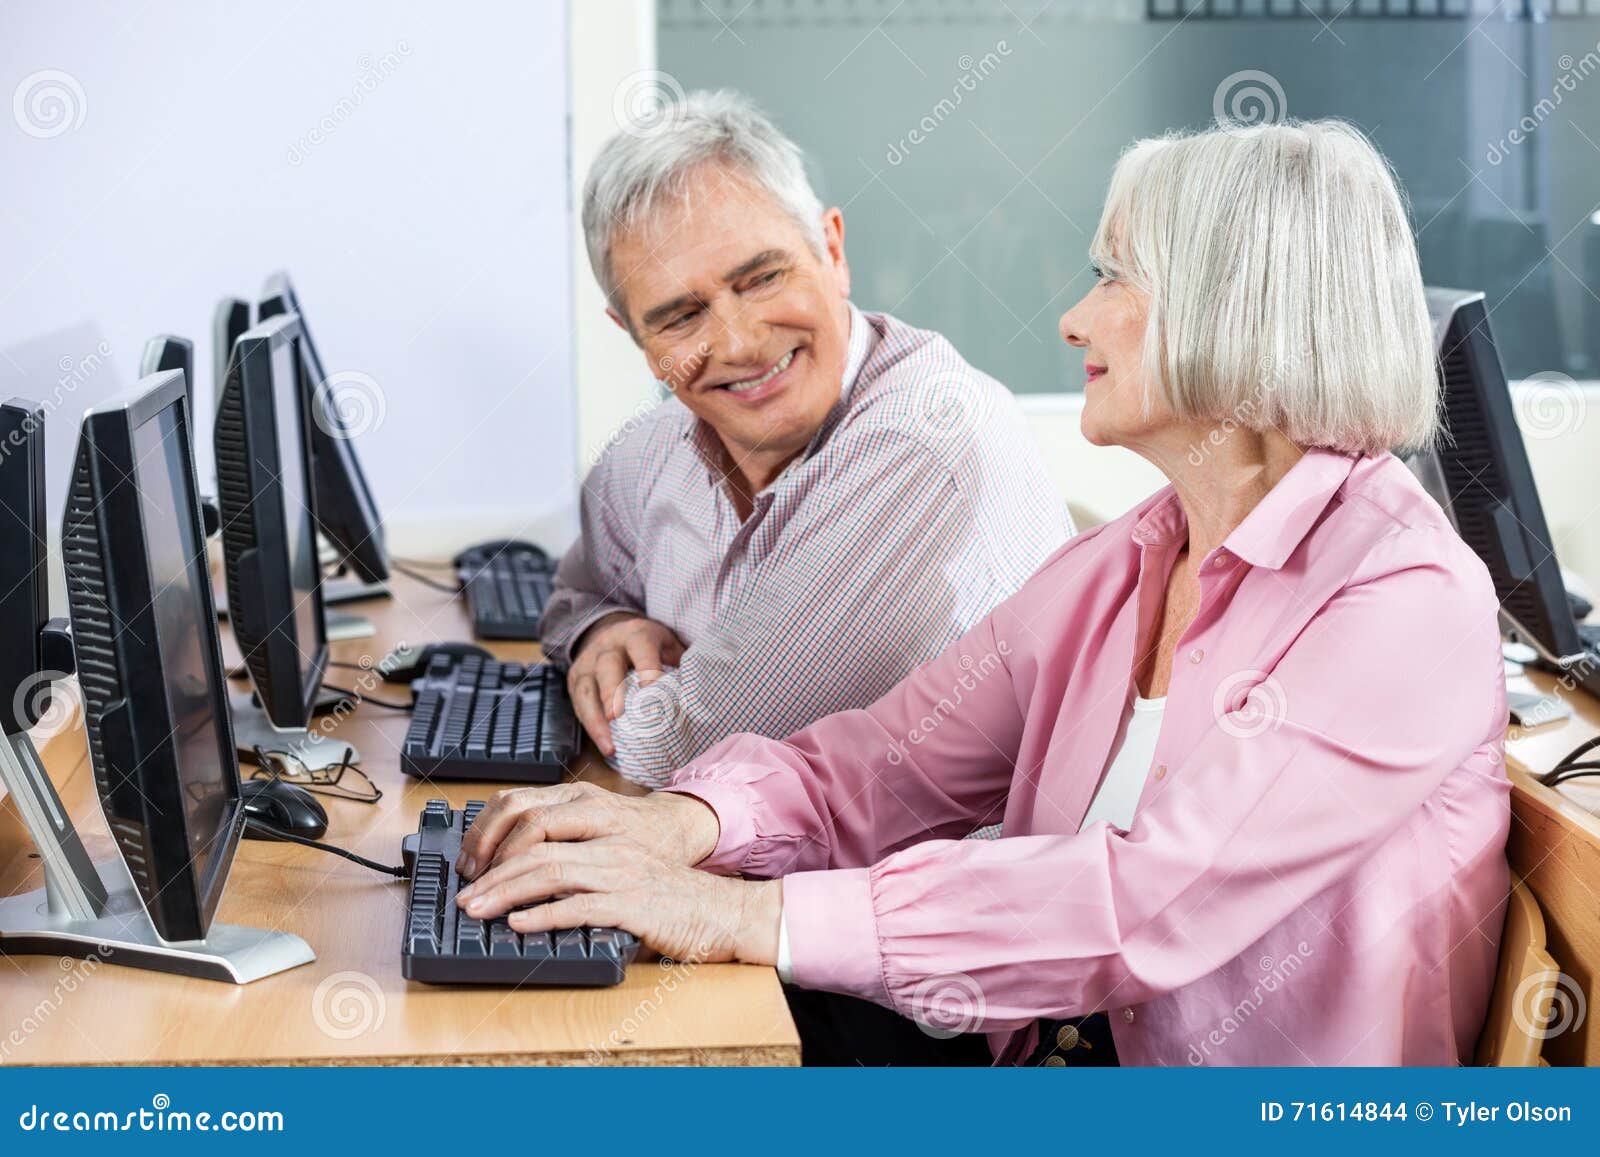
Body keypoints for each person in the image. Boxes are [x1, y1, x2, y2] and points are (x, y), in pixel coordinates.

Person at [460, 118, 1511, 1066]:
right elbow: (876, 766)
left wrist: (739, 915)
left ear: (1231, 304)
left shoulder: (1400, 597)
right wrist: (679, 825)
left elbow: (1139, 905)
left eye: (1112, 277)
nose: (1072, 319)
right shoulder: (1136, 558)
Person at [540, 90, 1070, 792]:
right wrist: (601, 633)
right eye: (680, 316)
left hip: (923, 892)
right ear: (634, 335)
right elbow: (572, 593)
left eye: (761, 278)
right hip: (753, 879)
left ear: (833, 249)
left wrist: (628, 700)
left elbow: (689, 753)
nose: (739, 343)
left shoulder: (926, 442)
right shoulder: (652, 448)